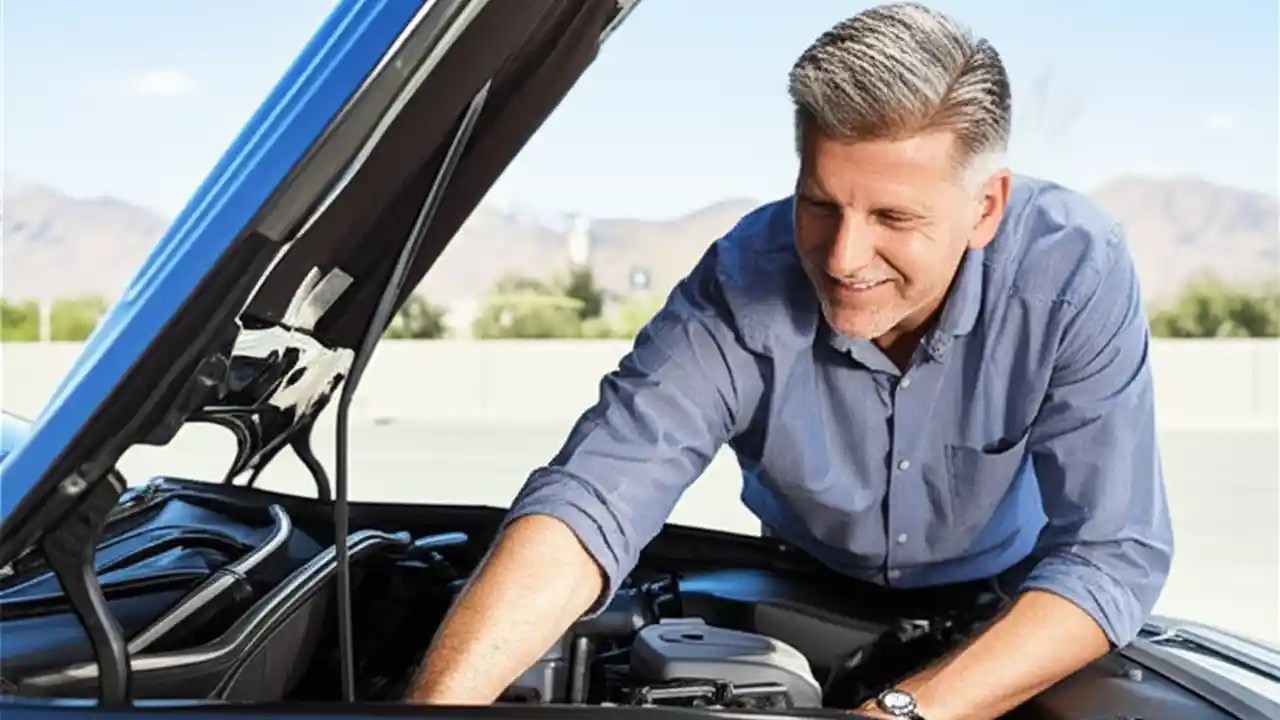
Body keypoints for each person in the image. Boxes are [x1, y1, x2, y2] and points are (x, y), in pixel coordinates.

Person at [406, 3, 1173, 718]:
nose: (843, 258)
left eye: (893, 217)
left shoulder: (1071, 273)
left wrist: (898, 713)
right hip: (804, 582)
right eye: (819, 203)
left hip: (1013, 605)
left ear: (986, 208)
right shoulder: (742, 283)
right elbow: (594, 499)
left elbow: (1111, 556)